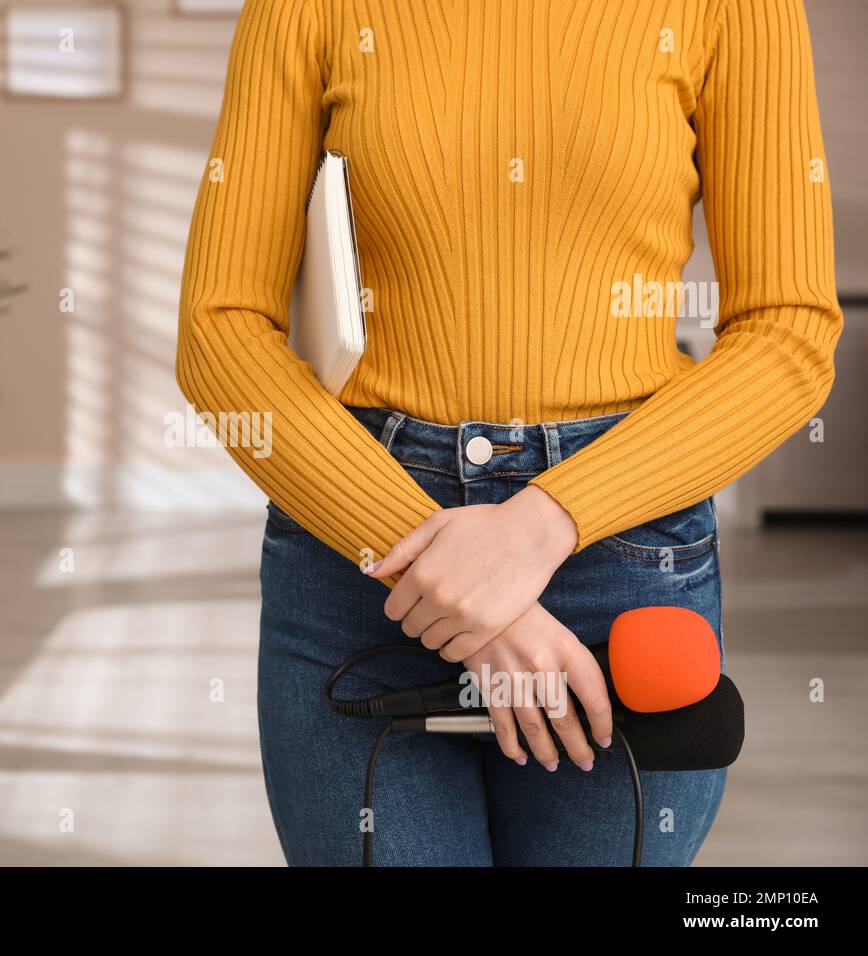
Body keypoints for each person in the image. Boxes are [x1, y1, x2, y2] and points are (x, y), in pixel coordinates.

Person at [175, 0, 841, 866]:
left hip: (623, 567)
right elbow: (217, 329)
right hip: (359, 563)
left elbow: (787, 330)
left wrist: (544, 523)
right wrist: (454, 584)